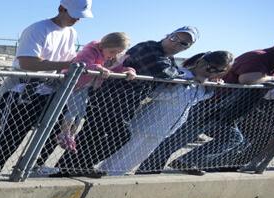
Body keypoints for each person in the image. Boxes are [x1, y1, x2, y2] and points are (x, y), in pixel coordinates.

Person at [56, 26, 197, 176]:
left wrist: (180, 76)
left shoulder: (168, 58)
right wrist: (186, 76)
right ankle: (74, 166)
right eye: (175, 38)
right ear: (168, 35)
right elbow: (164, 72)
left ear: (187, 48)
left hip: (128, 101)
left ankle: (72, 166)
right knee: (115, 134)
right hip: (110, 96)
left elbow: (171, 74)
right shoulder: (148, 47)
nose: (176, 43)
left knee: (95, 133)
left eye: (183, 43)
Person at [0, 0, 91, 180]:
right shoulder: (38, 29)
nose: (77, 20)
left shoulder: (71, 33)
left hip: (51, 91)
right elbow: (27, 62)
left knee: (54, 132)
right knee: (9, 136)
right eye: (74, 15)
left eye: (80, 16)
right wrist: (68, 65)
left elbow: (67, 61)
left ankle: (30, 166)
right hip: (24, 90)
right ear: (61, 9)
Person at [145, 45, 274, 173]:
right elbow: (247, 79)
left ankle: (185, 161)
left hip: (228, 112)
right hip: (210, 105)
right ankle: (148, 172)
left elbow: (269, 91)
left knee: (233, 138)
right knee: (175, 141)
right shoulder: (259, 57)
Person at [98, 51, 233, 176]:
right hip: (147, 122)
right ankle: (102, 175)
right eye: (211, 68)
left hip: (165, 129)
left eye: (219, 71)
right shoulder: (179, 74)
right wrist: (186, 83)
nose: (212, 73)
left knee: (133, 160)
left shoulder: (202, 85)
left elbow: (198, 98)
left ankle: (112, 178)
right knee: (121, 156)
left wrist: (211, 87)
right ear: (201, 62)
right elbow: (156, 93)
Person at [55, 32, 134, 154]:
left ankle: (71, 135)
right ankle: (63, 134)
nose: (114, 55)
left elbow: (116, 69)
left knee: (81, 113)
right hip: (72, 85)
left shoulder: (108, 56)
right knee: (72, 110)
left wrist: (129, 70)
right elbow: (82, 63)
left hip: (84, 87)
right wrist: (98, 68)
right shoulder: (90, 51)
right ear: (103, 46)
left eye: (118, 53)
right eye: (113, 52)